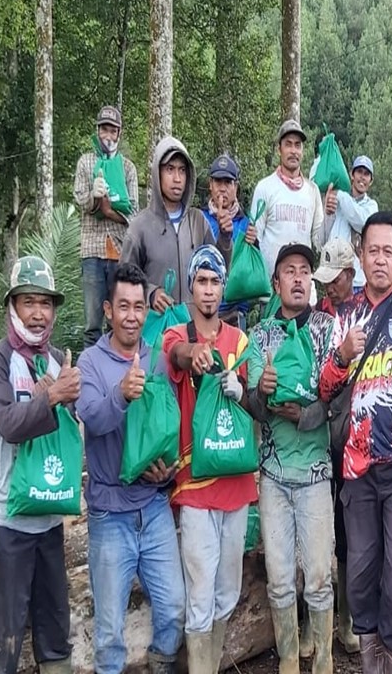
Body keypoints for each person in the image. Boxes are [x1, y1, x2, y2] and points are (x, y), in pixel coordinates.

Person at [318, 211, 392, 673]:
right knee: (360, 571)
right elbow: (322, 389)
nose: (380, 260)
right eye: (372, 251)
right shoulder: (343, 316)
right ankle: (368, 660)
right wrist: (342, 356)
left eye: (388, 252)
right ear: (360, 257)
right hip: (356, 468)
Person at [76, 263, 185, 674]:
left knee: (174, 607)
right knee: (108, 634)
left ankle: (160, 663)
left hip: (153, 507)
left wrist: (168, 473)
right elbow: (93, 419)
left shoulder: (155, 358)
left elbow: (164, 427)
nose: (132, 316)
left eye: (139, 307)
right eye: (123, 306)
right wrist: (120, 395)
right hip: (110, 514)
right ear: (107, 310)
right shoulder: (91, 362)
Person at [0, 256, 79, 673]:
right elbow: (8, 425)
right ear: (12, 307)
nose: (38, 314)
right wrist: (51, 398)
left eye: (45, 304)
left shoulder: (58, 360)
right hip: (5, 525)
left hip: (48, 522)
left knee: (56, 638)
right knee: (0, 645)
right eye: (28, 303)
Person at [163, 246, 257, 674]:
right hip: (196, 486)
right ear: (190, 286)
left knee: (227, 592)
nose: (208, 290)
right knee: (200, 595)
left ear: (223, 287)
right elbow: (176, 356)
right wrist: (194, 355)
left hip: (236, 481)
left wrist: (250, 387)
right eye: (200, 281)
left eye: (215, 281)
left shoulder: (240, 341)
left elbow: (257, 395)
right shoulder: (177, 333)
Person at [247, 243, 337, 674]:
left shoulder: (326, 328)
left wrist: (305, 415)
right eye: (289, 271)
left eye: (305, 270)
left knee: (319, 578)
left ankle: (323, 661)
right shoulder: (260, 335)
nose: (298, 278)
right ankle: (288, 658)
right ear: (276, 283)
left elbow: (338, 396)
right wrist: (262, 395)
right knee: (281, 579)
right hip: (273, 476)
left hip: (317, 472)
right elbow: (250, 404)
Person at [311, 236, 361, 653]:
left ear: (350, 274)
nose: (329, 287)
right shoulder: (317, 316)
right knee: (315, 528)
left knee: (345, 531)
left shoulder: (365, 313)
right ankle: (317, 619)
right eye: (324, 280)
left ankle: (347, 620)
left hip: (351, 438)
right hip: (317, 435)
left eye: (335, 279)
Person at [120, 136, 231, 311]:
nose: (177, 178)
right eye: (170, 169)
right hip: (157, 331)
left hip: (194, 329)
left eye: (182, 170)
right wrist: (150, 293)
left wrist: (225, 238)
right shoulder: (140, 227)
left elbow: (218, 272)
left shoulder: (198, 221)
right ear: (158, 173)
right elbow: (124, 281)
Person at [73, 105, 138, 348]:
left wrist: (109, 210)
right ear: (97, 131)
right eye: (104, 130)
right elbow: (80, 200)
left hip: (119, 253)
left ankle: (116, 373)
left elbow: (133, 211)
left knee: (118, 320)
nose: (108, 136)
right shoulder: (85, 163)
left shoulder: (128, 168)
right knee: (92, 323)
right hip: (92, 251)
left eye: (113, 131)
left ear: (119, 134)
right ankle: (91, 377)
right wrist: (94, 196)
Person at [252, 120, 326, 303]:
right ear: (279, 149)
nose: (293, 151)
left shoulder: (312, 191)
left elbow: (319, 241)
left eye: (298, 145)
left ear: (302, 150)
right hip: (271, 295)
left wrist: (330, 215)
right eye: (288, 144)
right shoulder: (265, 188)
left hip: (304, 296)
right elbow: (255, 240)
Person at [201, 153, 258, 328]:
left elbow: (253, 273)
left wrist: (254, 245)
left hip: (236, 313)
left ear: (236, 187)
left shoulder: (246, 224)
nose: (222, 188)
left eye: (228, 182)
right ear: (210, 185)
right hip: (203, 310)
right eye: (218, 182)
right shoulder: (199, 218)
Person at [322, 155, 379, 290]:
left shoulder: (371, 206)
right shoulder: (337, 202)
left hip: (358, 281)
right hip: (333, 277)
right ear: (351, 175)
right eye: (359, 172)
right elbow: (322, 237)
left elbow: (362, 221)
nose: (362, 177)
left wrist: (339, 194)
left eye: (366, 174)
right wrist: (328, 212)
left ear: (371, 181)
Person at [314, 238, 358, 317]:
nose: (329, 289)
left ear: (350, 274)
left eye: (335, 281)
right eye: (326, 282)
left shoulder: (362, 312)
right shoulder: (318, 311)